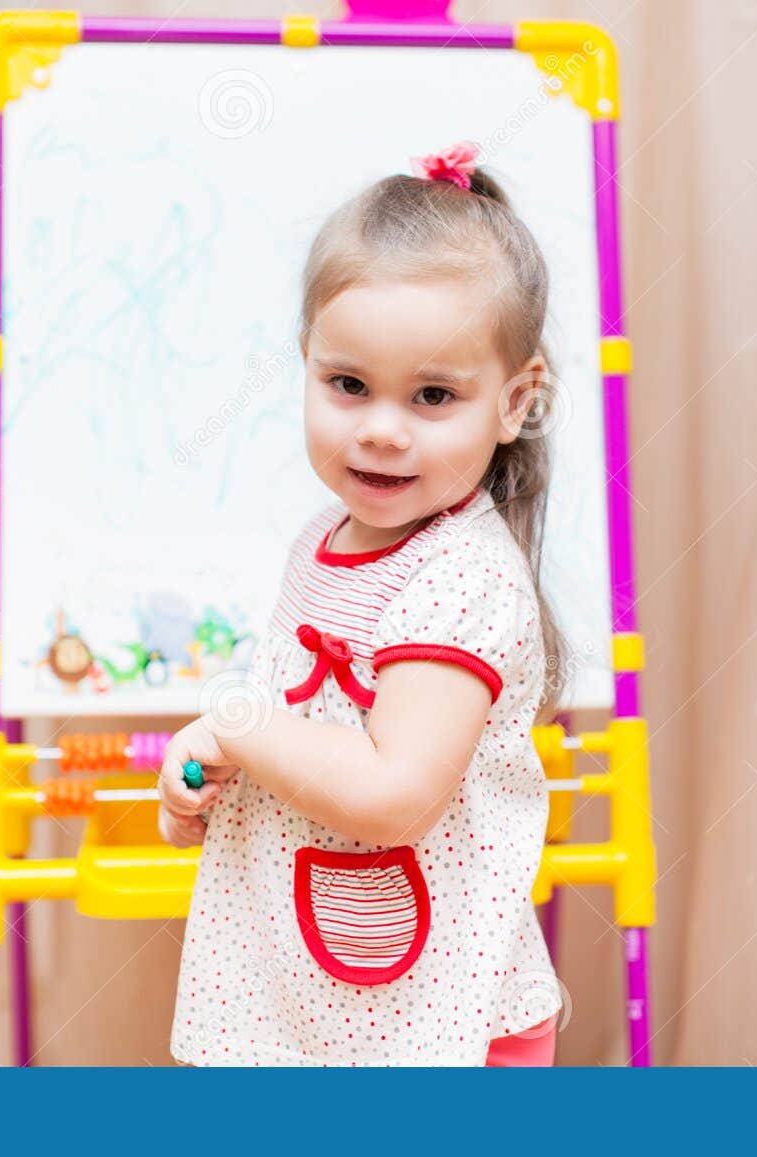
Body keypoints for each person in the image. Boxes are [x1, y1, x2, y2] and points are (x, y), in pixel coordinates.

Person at [159, 141, 568, 1066]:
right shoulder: (322, 538)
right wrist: (215, 761)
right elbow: (301, 720)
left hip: (438, 1024)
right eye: (348, 385)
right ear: (307, 362)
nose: (381, 428)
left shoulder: (462, 579)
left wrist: (237, 723)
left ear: (514, 401)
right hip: (315, 1005)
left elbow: (388, 795)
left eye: (432, 395)